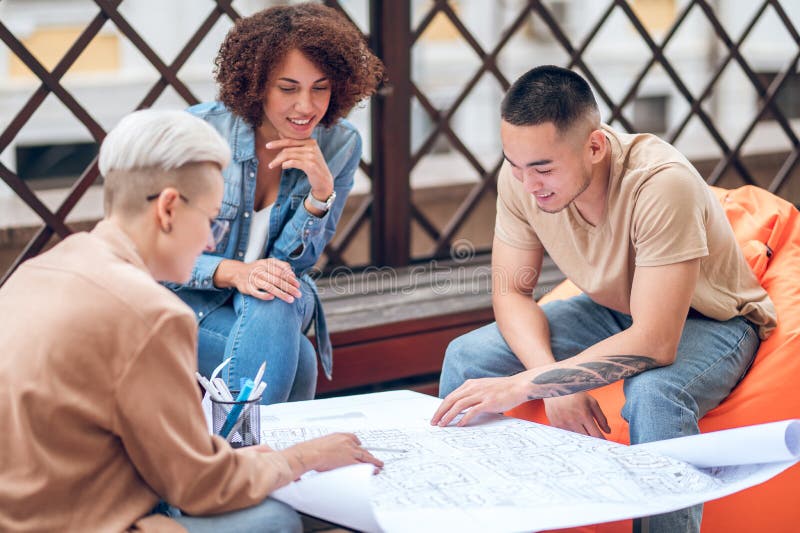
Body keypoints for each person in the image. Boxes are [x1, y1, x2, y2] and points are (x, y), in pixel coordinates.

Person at [0, 109, 382, 532]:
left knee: (302, 361)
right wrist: (302, 457)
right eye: (211, 220)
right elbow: (198, 487)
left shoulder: (38, 270)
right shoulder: (151, 314)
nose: (211, 241)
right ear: (167, 208)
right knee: (272, 520)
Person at [432, 66, 776, 533]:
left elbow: (656, 341)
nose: (529, 185)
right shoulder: (520, 180)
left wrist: (534, 384)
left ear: (594, 146)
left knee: (657, 393)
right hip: (615, 309)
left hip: (713, 320)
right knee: (468, 356)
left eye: (543, 168)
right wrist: (549, 378)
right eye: (515, 166)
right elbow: (511, 291)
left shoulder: (660, 182)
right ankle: (471, 519)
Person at [169, 3, 384, 404]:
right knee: (300, 355)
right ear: (256, 84)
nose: (306, 106)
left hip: (274, 307)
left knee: (278, 293)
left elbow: (296, 265)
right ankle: (268, 461)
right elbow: (155, 256)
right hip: (191, 308)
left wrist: (319, 195)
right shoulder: (199, 133)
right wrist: (236, 272)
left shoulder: (340, 143)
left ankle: (240, 455)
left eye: (320, 88)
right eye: (288, 88)